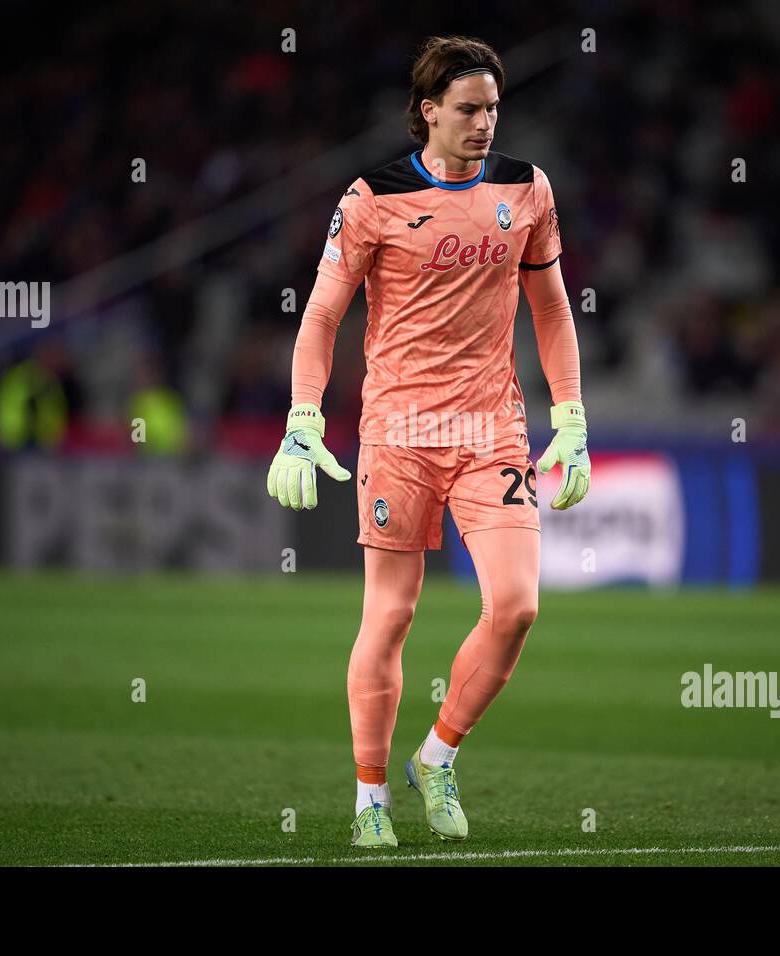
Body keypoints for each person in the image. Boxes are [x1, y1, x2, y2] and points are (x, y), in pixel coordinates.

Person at [266, 35, 589, 848]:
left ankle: (437, 754)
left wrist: (573, 417)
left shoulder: (527, 189)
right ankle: (369, 795)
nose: (485, 123)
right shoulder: (372, 197)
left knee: (516, 606)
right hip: (401, 431)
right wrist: (305, 416)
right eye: (469, 109)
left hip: (492, 429)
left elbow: (550, 309)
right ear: (428, 112)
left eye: (493, 109)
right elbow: (321, 314)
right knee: (391, 614)